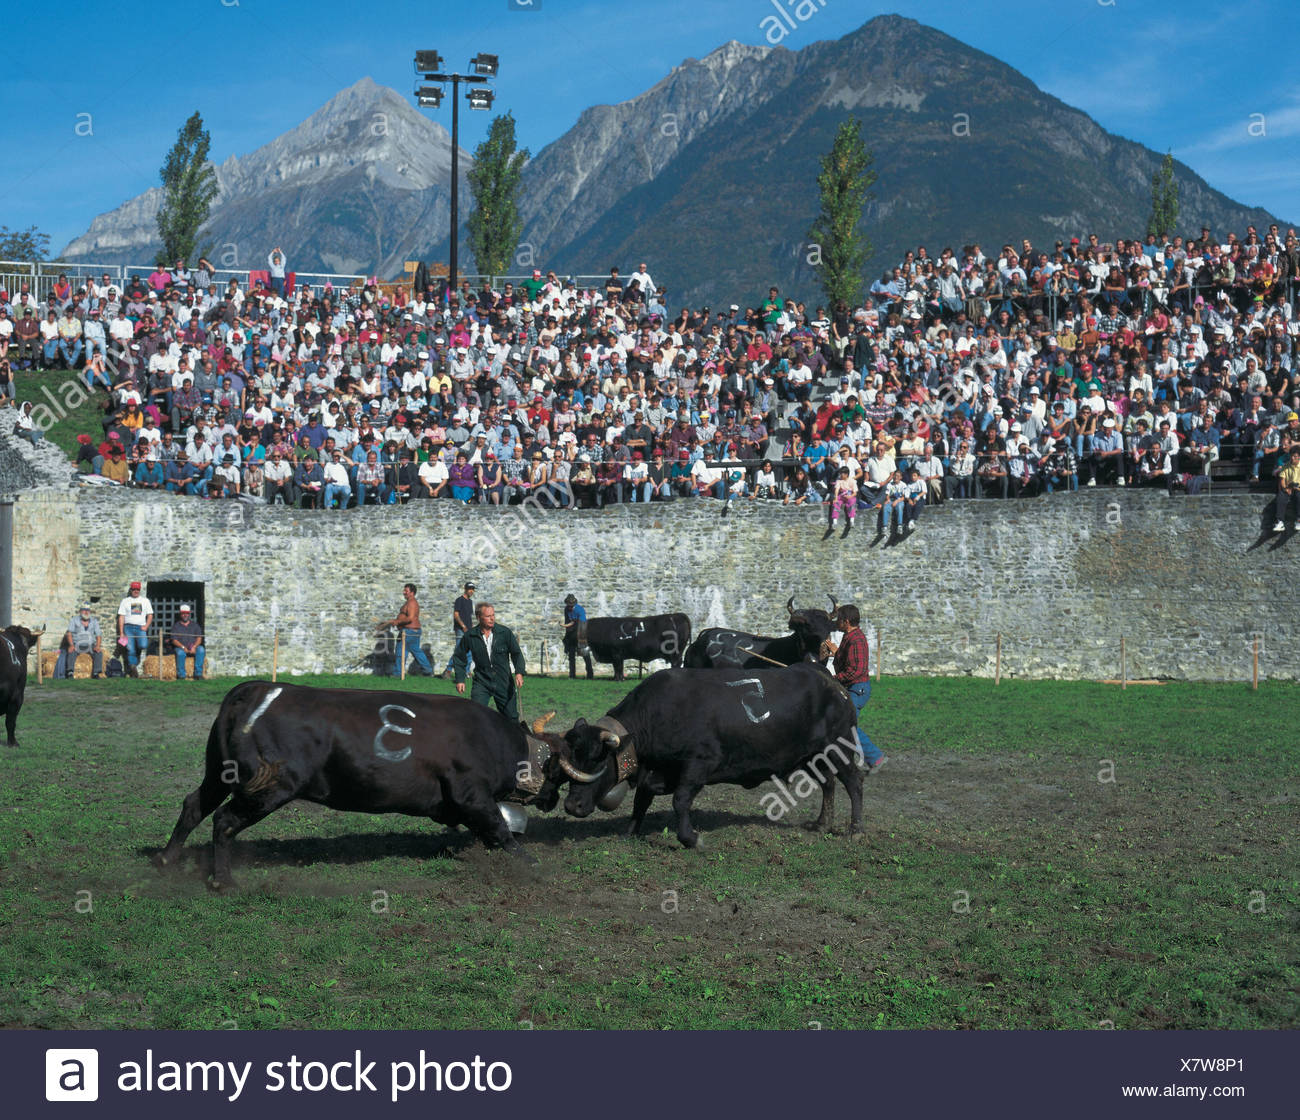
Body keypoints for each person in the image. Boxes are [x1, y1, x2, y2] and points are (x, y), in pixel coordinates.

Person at [831, 605, 886, 772]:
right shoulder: (849, 637)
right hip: (853, 687)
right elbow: (848, 661)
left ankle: (875, 758)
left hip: (858, 689)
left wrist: (834, 679)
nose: (836, 622)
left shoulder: (856, 640)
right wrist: (836, 652)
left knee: (847, 725)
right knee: (842, 724)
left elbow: (857, 670)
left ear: (846, 622)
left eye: (839, 619)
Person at [452, 602, 526, 721]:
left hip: (504, 681)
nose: (492, 618)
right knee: (476, 715)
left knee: (511, 718)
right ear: (478, 617)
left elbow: (516, 654)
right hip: (482, 681)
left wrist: (519, 672)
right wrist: (460, 679)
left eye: (493, 615)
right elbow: (459, 657)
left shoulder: (504, 633)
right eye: (488, 616)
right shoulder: (470, 636)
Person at [377, 583, 434, 677]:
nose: (404, 593)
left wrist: (398, 622)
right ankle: (428, 671)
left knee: (400, 652)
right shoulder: (410, 602)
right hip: (413, 631)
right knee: (416, 651)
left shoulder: (412, 603)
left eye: (406, 591)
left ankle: (398, 673)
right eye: (404, 591)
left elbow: (410, 618)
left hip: (408, 632)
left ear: (412, 592)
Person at [56, 601, 104, 679]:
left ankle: (96, 673)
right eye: (84, 610)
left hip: (90, 644)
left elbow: (98, 635)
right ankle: (70, 672)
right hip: (77, 644)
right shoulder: (74, 620)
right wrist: (71, 645)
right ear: (80, 611)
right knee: (71, 651)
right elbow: (69, 633)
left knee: (99, 652)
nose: (86, 612)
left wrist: (98, 646)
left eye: (88, 610)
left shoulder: (94, 621)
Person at [117, 580, 152, 678]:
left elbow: (150, 615)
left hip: (140, 627)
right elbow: (121, 617)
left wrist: (146, 626)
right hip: (128, 627)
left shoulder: (145, 601)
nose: (136, 591)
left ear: (140, 590)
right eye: (134, 589)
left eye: (137, 589)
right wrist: (121, 632)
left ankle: (134, 663)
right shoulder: (125, 601)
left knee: (143, 645)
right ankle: (133, 667)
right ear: (131, 590)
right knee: (130, 649)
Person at [442, 581, 476, 678]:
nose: (471, 591)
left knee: (469, 652)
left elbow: (469, 617)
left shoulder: (470, 602)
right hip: (461, 630)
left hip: (469, 630)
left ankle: (467, 671)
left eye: (473, 589)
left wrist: (471, 628)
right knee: (459, 651)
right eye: (470, 589)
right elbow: (456, 615)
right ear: (465, 589)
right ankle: (448, 670)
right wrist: (463, 626)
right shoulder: (459, 600)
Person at [169, 603, 205, 681]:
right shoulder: (176, 626)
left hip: (193, 646)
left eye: (187, 613)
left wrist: (194, 647)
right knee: (180, 653)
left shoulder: (195, 625)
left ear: (189, 614)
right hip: (181, 647)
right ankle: (181, 675)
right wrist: (183, 647)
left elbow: (199, 638)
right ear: (180, 614)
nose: (185, 615)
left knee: (201, 649)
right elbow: (174, 640)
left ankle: (198, 674)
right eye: (183, 613)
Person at [562, 593, 594, 679]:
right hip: (571, 633)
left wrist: (573, 623)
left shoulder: (580, 610)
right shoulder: (566, 609)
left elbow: (582, 624)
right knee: (571, 655)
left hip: (581, 633)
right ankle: (572, 675)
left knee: (585, 654)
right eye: (569, 605)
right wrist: (567, 635)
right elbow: (567, 621)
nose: (570, 607)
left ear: (574, 604)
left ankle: (590, 675)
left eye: (571, 605)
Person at [1272, 447, 1300, 533]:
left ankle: (1299, 521)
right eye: (1292, 456)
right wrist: (1285, 489)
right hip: (1288, 488)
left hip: (1298, 488)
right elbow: (1282, 481)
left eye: (1295, 456)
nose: (1293, 458)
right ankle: (1280, 521)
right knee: (1281, 497)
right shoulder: (1285, 466)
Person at [828, 465, 856, 534]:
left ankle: (852, 520)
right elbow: (837, 489)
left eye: (842, 474)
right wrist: (836, 498)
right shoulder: (839, 481)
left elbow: (855, 492)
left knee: (852, 502)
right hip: (841, 495)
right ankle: (834, 522)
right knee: (836, 504)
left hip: (850, 495)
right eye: (840, 474)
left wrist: (850, 496)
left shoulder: (852, 481)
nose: (840, 475)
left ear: (846, 474)